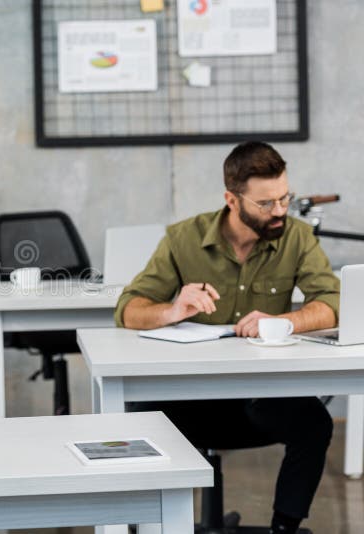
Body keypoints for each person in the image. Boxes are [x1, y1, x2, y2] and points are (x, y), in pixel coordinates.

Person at [115, 141, 339, 534]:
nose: (280, 211)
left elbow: (333, 303)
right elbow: (128, 309)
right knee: (134, 419)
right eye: (265, 204)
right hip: (189, 396)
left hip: (263, 397)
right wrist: (173, 310)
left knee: (315, 425)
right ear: (231, 200)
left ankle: (284, 527)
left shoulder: (297, 237)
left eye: (285, 198)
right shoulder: (184, 238)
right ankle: (154, 527)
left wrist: (284, 322)